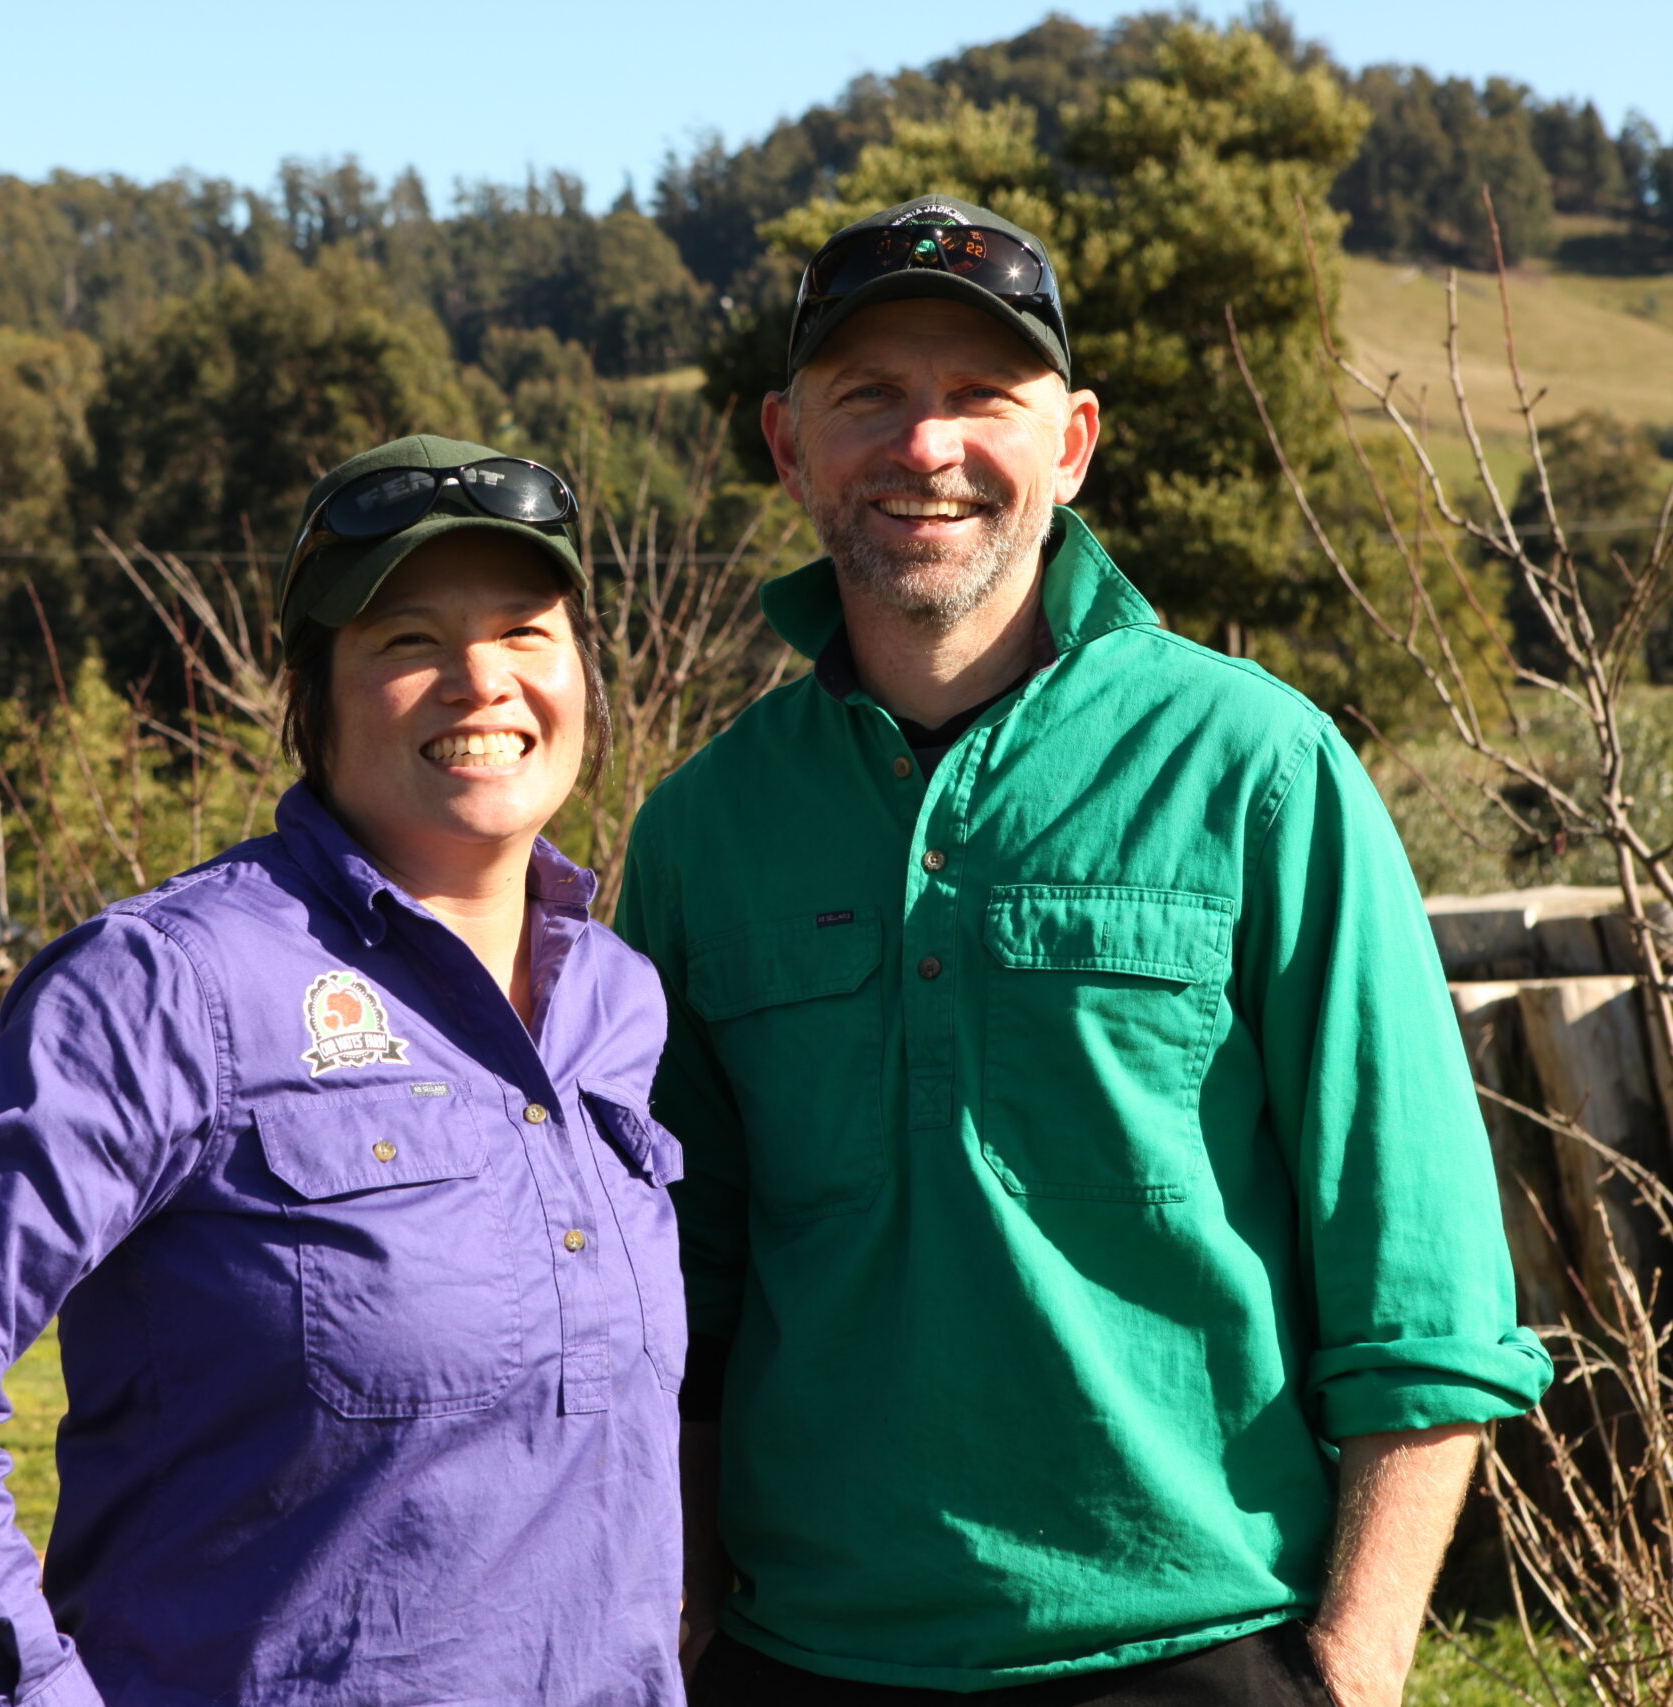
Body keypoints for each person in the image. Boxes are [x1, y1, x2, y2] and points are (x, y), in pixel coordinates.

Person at [614, 198, 1554, 1706]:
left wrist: (1353, 1668)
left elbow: (1420, 1273)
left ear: (1073, 442)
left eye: (983, 395)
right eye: (871, 396)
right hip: (803, 1659)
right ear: (788, 446)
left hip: (1195, 1648)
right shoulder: (701, 831)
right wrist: (689, 1623)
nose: (926, 444)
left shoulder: (1260, 767)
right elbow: (684, 1296)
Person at [0, 434, 687, 1707]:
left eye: (526, 633)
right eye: (407, 641)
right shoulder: (167, 985)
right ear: (311, 695)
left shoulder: (620, 1001)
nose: (480, 681)